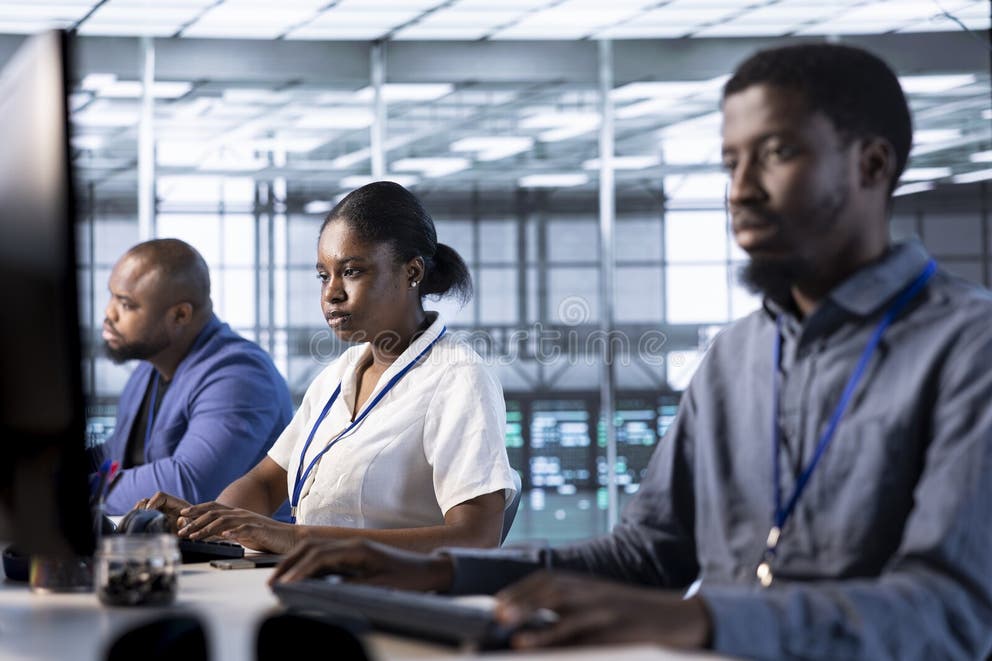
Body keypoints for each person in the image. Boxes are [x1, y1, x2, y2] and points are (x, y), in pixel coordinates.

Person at [267, 44, 992, 660]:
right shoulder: (737, 357)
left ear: (871, 164)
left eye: (777, 154)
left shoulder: (968, 349)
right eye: (730, 162)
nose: (741, 190)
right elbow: (646, 553)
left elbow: (949, 609)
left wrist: (702, 619)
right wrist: (438, 572)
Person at [140, 181, 518, 554]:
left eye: (351, 272)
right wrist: (205, 522)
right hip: (311, 580)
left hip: (389, 591)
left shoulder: (459, 378)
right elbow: (265, 484)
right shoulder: (338, 375)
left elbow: (476, 538)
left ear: (412, 273)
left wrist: (293, 538)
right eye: (324, 275)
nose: (331, 293)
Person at [92, 238, 294, 518]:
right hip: (169, 539)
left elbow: (188, 484)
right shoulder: (149, 369)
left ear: (180, 315)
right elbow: (114, 455)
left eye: (126, 304)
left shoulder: (240, 375)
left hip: (237, 546)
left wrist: (75, 489)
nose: (109, 312)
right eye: (112, 296)